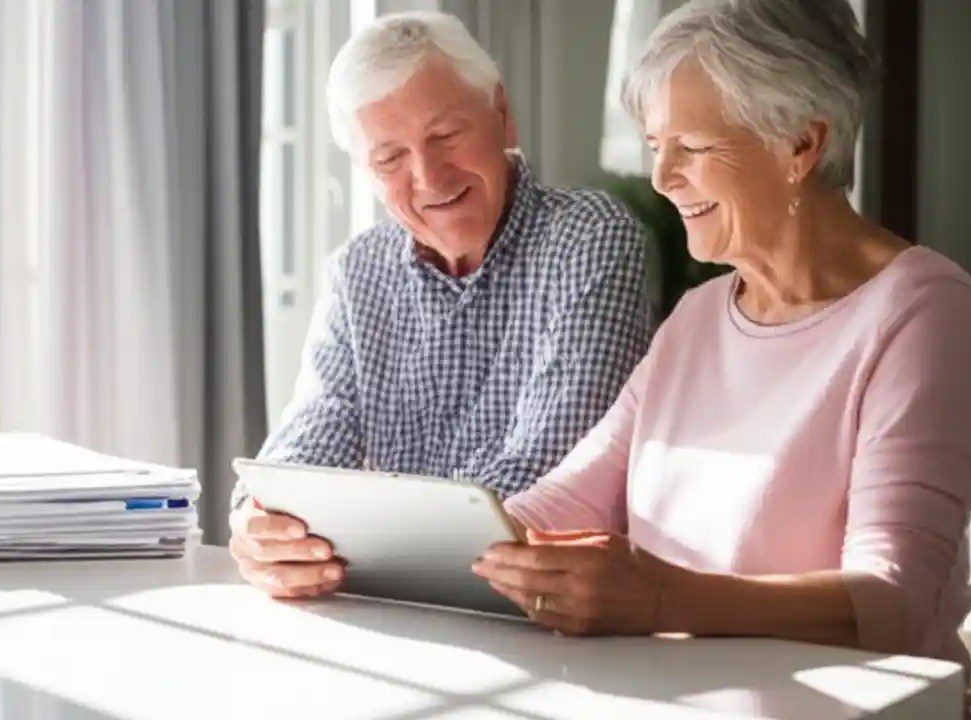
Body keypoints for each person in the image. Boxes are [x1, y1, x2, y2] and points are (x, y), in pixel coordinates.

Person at [473, 0, 971, 700]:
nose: (662, 177)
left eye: (692, 145)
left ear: (800, 146)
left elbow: (893, 602)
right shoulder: (698, 317)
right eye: (655, 145)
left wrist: (662, 601)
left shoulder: (921, 308)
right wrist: (351, 543)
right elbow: (561, 504)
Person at [230, 12, 654, 599]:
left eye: (447, 135)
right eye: (390, 159)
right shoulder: (358, 272)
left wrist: (349, 532)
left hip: (543, 617)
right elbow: (295, 467)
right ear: (366, 172)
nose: (428, 177)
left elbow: (543, 481)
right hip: (388, 612)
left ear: (502, 115)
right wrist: (262, 529)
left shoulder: (590, 238)